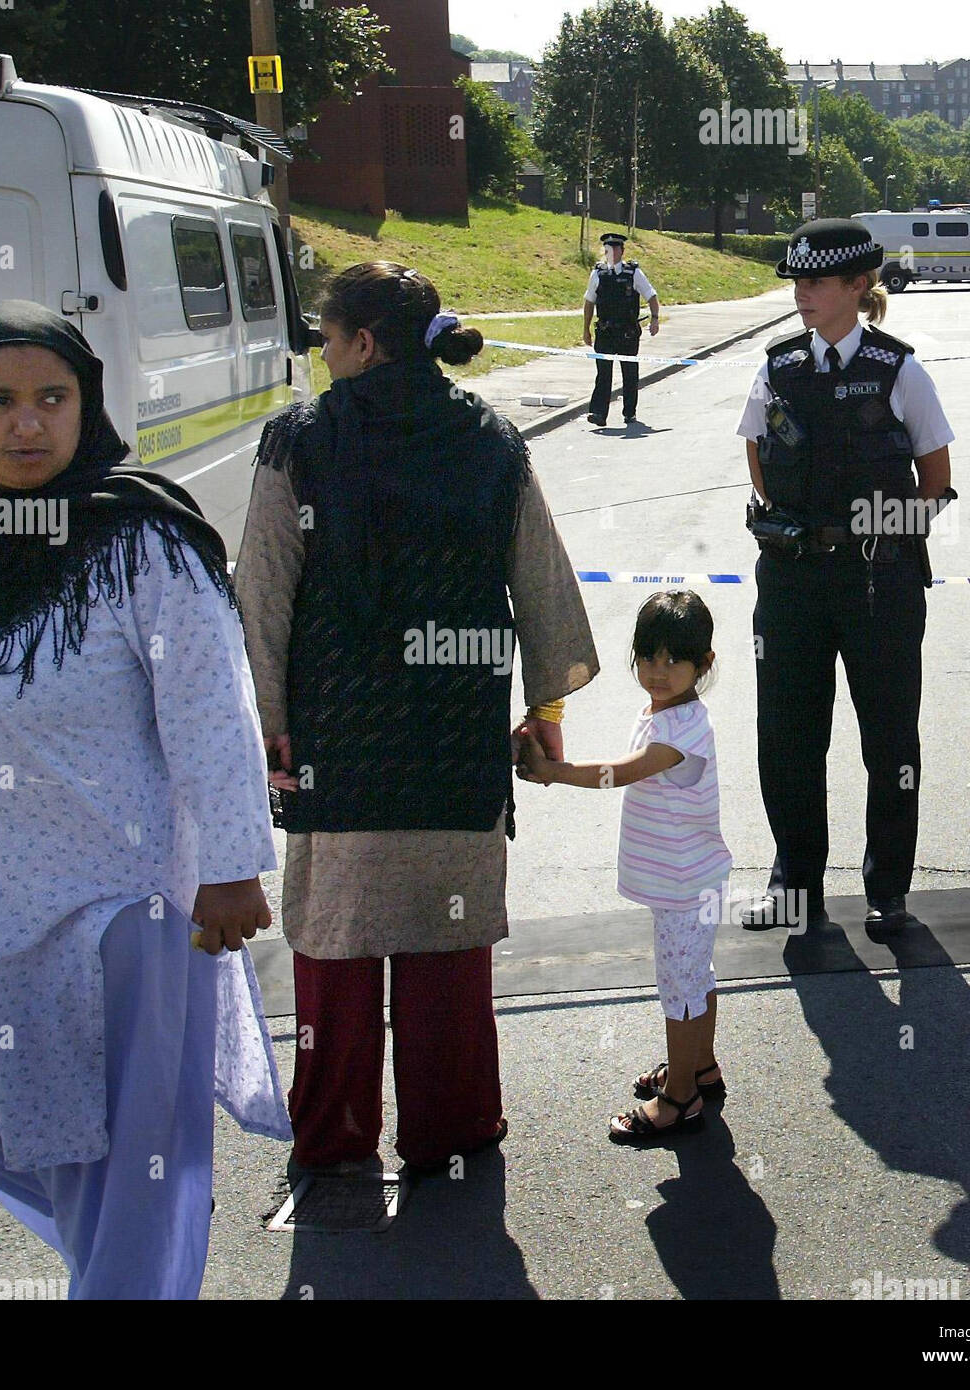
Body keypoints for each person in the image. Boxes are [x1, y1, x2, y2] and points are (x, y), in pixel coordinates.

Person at [0, 301, 289, 1300]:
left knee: (119, 1153)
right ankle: (129, 1249)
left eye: (53, 397)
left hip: (113, 908)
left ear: (87, 407)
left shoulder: (142, 542)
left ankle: (129, 1264)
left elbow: (212, 706)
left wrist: (230, 867)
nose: (27, 422)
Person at [235, 262, 599, 1173]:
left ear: (362, 342)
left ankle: (336, 1135)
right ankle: (452, 1127)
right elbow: (541, 584)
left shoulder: (300, 442)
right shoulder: (488, 438)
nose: (323, 356)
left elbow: (263, 595)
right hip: (454, 737)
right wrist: (542, 708)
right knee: (448, 950)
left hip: (338, 738)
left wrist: (268, 722)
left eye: (325, 339)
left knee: (335, 949)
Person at [736, 219, 955, 934]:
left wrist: (878, 529)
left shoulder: (900, 371)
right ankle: (794, 884)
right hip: (792, 579)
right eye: (796, 282)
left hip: (877, 583)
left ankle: (886, 891)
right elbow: (757, 459)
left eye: (815, 282)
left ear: (857, 287)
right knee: (788, 736)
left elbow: (936, 479)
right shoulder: (777, 367)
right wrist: (792, 524)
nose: (801, 294)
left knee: (888, 739)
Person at [518, 591, 732, 1145]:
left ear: (703, 664)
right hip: (690, 880)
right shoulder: (668, 711)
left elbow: (620, 772)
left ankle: (680, 1096)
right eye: (648, 656)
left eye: (674, 660)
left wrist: (553, 771)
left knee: (679, 989)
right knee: (694, 979)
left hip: (685, 886)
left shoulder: (679, 731)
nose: (658, 671)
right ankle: (700, 1066)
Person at [583, 232, 660, 427]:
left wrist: (655, 319)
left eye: (616, 248)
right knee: (603, 374)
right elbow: (589, 302)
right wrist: (586, 329)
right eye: (608, 249)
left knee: (629, 373)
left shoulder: (633, 273)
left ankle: (629, 412)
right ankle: (598, 413)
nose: (612, 252)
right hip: (605, 331)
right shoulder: (598, 273)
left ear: (622, 251)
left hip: (627, 332)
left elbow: (651, 296)